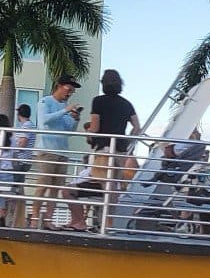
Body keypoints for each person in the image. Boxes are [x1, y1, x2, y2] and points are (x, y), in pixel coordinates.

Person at [85, 68, 143, 223]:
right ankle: (109, 222)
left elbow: (95, 127)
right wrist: (129, 141)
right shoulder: (126, 104)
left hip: (103, 149)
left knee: (100, 186)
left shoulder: (98, 101)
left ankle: (104, 223)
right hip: (120, 151)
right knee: (113, 188)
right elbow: (137, 127)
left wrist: (89, 135)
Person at [31, 75, 80, 230]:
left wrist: (75, 118)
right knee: (43, 184)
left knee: (55, 188)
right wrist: (65, 110)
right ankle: (34, 217)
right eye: (68, 89)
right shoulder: (45, 101)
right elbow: (44, 120)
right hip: (46, 150)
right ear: (59, 86)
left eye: (72, 91)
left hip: (62, 152)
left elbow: (69, 130)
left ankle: (48, 219)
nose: (70, 93)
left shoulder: (64, 107)